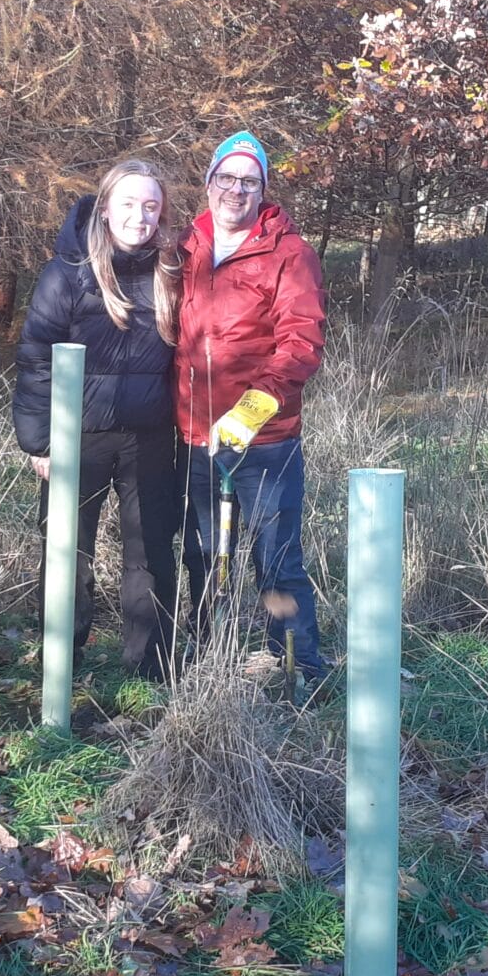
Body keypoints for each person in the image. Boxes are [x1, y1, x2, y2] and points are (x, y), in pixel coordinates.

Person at [12, 159, 184, 679]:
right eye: (129, 203)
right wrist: (39, 443)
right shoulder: (68, 272)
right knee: (68, 552)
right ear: (106, 209)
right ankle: (60, 662)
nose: (140, 215)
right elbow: (36, 356)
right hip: (76, 436)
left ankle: (151, 668)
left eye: (151, 205)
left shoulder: (172, 272)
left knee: (149, 551)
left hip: (150, 438)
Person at [176, 130, 328, 677]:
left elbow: (301, 343)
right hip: (196, 437)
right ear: (209, 181)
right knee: (204, 558)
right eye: (227, 177)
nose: (236, 190)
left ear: (263, 190)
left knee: (276, 563)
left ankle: (299, 669)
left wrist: (250, 412)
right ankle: (207, 664)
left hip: (265, 443)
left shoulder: (291, 254)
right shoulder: (187, 247)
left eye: (249, 181)